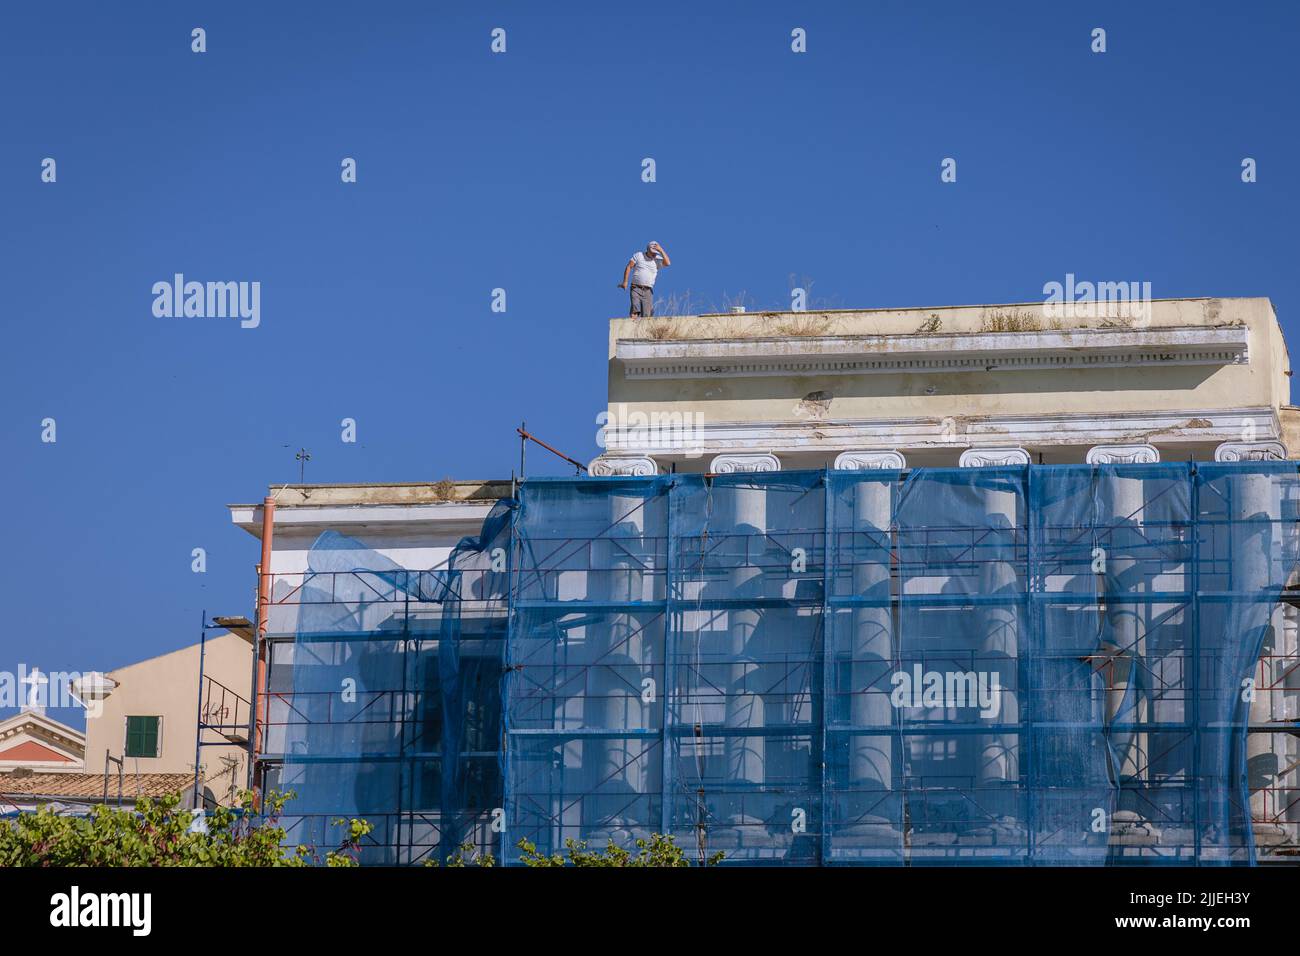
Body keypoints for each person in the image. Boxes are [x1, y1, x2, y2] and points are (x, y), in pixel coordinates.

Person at [619, 241, 671, 317]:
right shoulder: (639, 255)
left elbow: (668, 263)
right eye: (652, 252)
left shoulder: (657, 260)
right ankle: (633, 323)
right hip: (635, 287)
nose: (654, 254)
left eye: (656, 252)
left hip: (648, 290)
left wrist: (661, 250)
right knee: (635, 310)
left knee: (647, 315)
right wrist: (625, 282)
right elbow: (629, 266)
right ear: (647, 249)